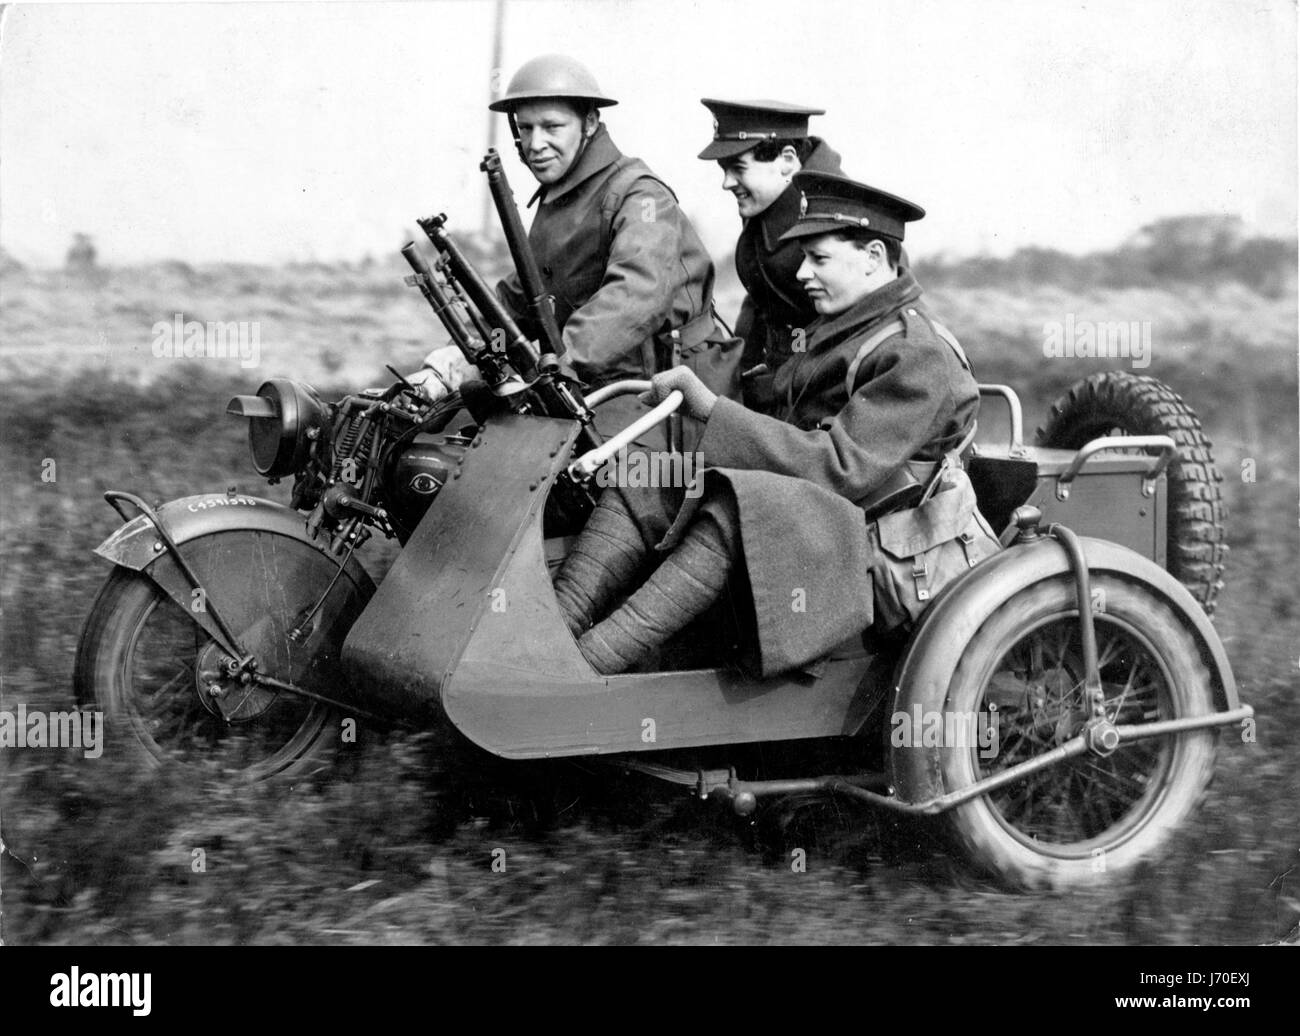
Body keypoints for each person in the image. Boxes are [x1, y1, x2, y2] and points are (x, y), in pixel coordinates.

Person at [552, 172, 999, 676]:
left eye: (819, 258)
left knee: (739, 506)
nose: (803, 272)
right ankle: (552, 636)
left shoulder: (917, 354)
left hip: (874, 546)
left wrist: (712, 411)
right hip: (832, 520)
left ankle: (584, 669)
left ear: (874, 258)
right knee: (652, 475)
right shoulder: (848, 330)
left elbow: (840, 467)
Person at [412, 55, 742, 439]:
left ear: (589, 122)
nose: (536, 144)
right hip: (597, 377)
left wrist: (550, 364)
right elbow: (520, 300)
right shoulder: (560, 196)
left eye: (552, 126)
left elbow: (636, 294)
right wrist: (454, 361)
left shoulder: (643, 196)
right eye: (526, 128)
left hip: (676, 388)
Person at [697, 99, 845, 409]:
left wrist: (786, 376)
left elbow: (849, 323)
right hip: (784, 379)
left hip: (828, 390)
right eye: (724, 170)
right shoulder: (769, 205)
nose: (726, 183)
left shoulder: (839, 219)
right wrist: (738, 373)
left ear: (787, 161)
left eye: (738, 169)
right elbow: (764, 298)